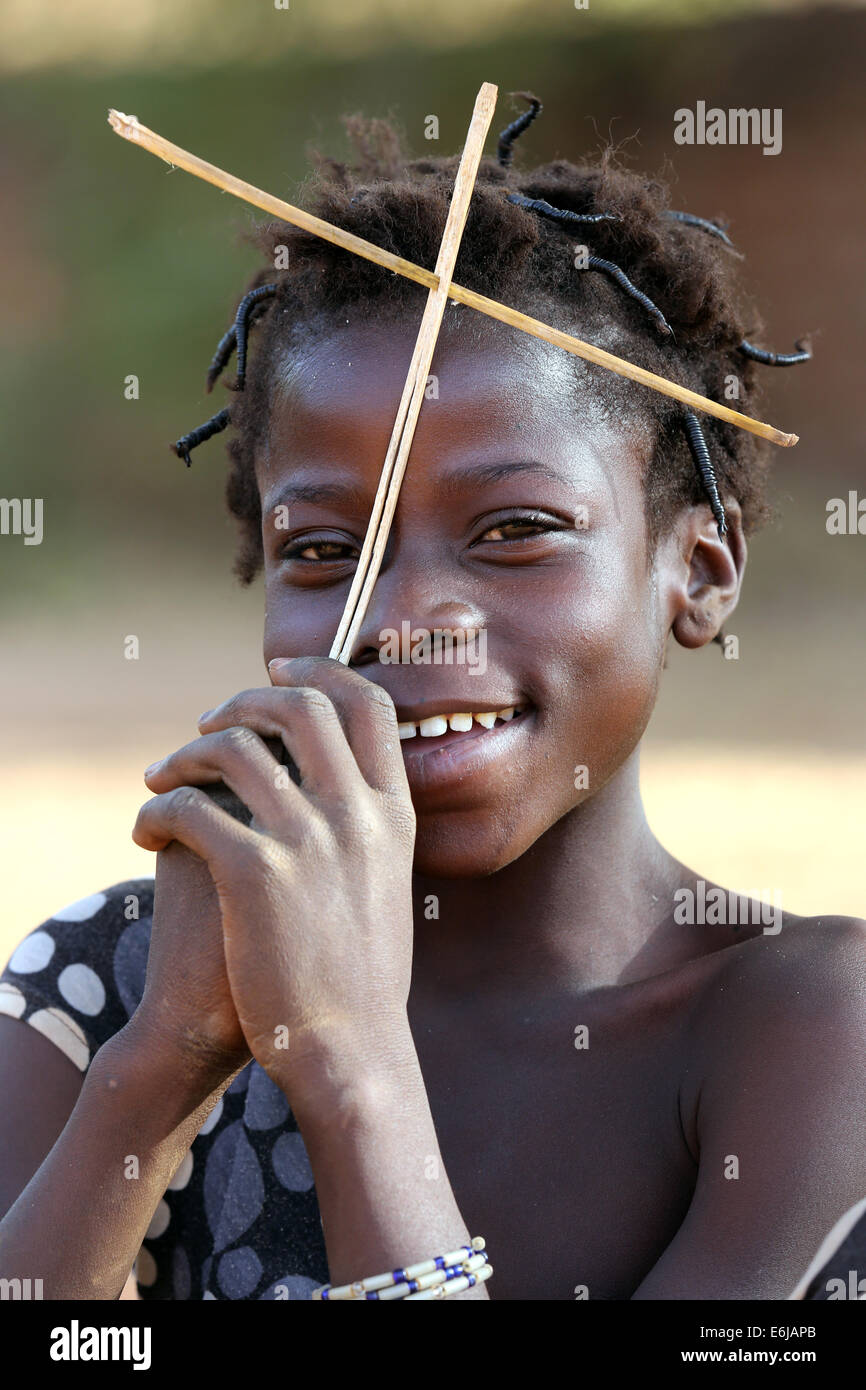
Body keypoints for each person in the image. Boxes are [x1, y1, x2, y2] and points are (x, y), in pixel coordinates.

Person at [1, 96, 864, 1302]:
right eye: (322, 550)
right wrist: (164, 1063)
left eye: (515, 531)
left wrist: (354, 1070)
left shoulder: (802, 1027)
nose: (405, 615)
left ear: (697, 572)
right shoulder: (112, 989)